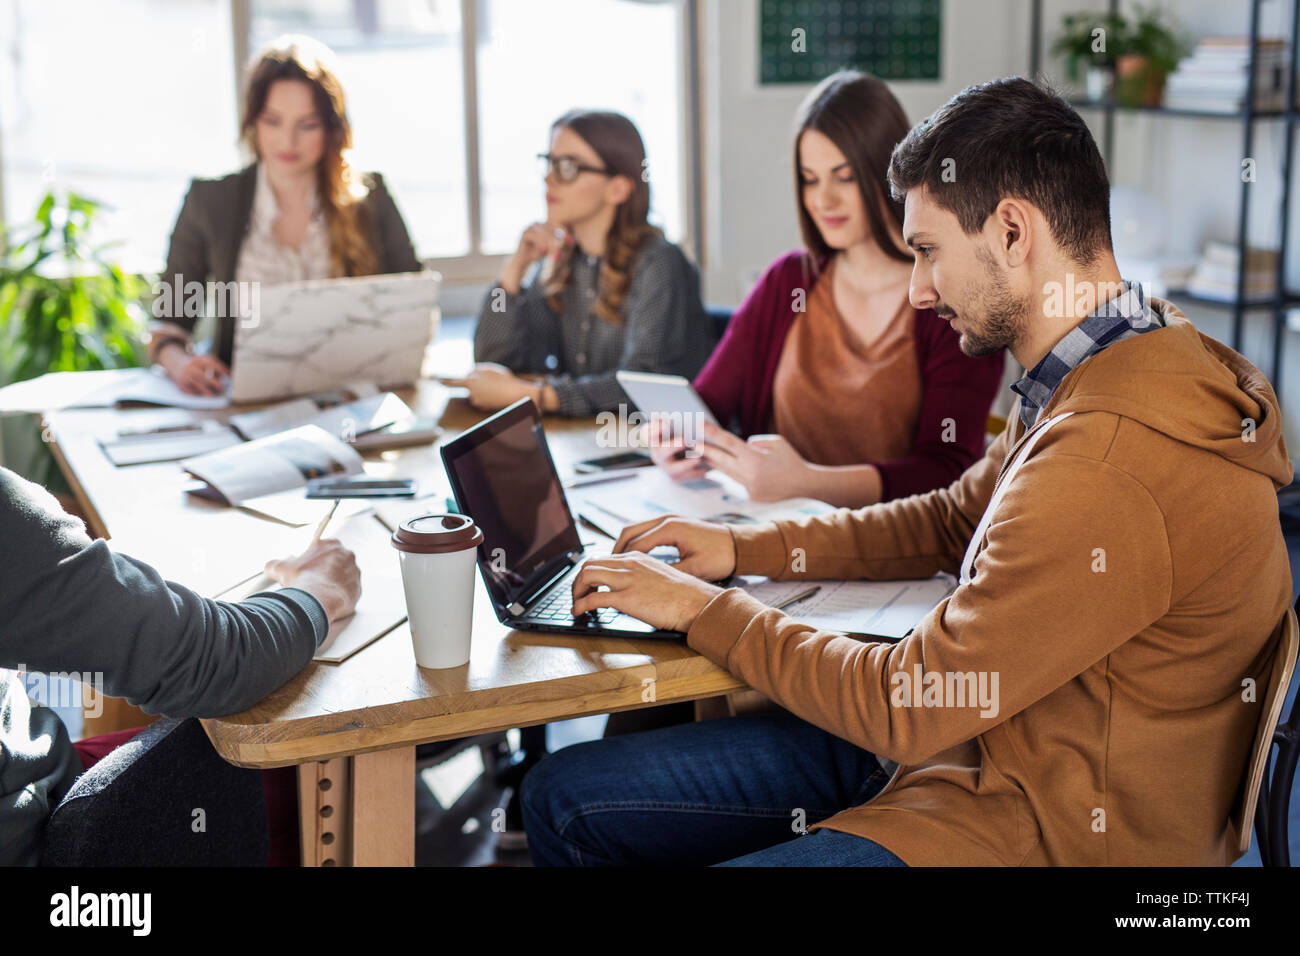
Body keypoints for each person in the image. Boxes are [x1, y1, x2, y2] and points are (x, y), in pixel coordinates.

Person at [519, 77, 1293, 866]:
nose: (919, 289)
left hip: (1024, 816)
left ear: (1013, 233)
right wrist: (745, 551)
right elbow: (950, 518)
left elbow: (912, 703)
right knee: (561, 798)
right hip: (959, 747)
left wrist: (704, 611)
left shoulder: (1109, 457)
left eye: (927, 251)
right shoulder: (1098, 362)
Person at [647, 71, 1005, 508]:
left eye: (845, 177)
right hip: (775, 532)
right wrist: (676, 442)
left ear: (888, 174)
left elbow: (947, 473)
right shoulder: (788, 282)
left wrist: (808, 482)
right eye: (810, 179)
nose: (823, 200)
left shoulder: (950, 296)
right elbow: (710, 407)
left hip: (893, 550)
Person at [0, 465, 361, 865]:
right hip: (39, 834)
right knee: (318, 780)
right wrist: (319, 590)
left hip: (31, 777)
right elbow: (215, 662)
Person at [151, 34, 422, 396]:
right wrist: (181, 364)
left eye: (307, 124)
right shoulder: (210, 200)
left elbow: (415, 305)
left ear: (332, 129)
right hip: (243, 404)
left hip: (349, 400)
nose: (287, 141)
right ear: (253, 122)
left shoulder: (371, 198)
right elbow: (169, 321)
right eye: (273, 121)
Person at [455, 110, 714, 417]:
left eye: (567, 167)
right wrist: (511, 275)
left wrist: (539, 396)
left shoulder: (659, 262)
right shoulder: (565, 260)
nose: (548, 178)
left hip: (658, 451)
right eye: (549, 163)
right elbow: (496, 366)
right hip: (587, 443)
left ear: (618, 188)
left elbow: (642, 385)